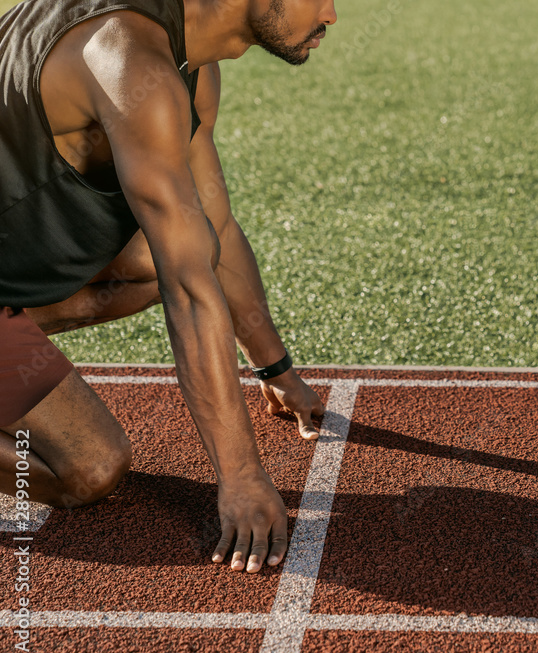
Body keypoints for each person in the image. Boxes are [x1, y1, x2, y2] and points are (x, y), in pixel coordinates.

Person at [0, 0, 336, 573]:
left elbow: (216, 230)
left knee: (166, 252)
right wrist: (241, 478)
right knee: (90, 468)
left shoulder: (187, 65)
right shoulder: (128, 60)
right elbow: (190, 290)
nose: (330, 14)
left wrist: (274, 367)